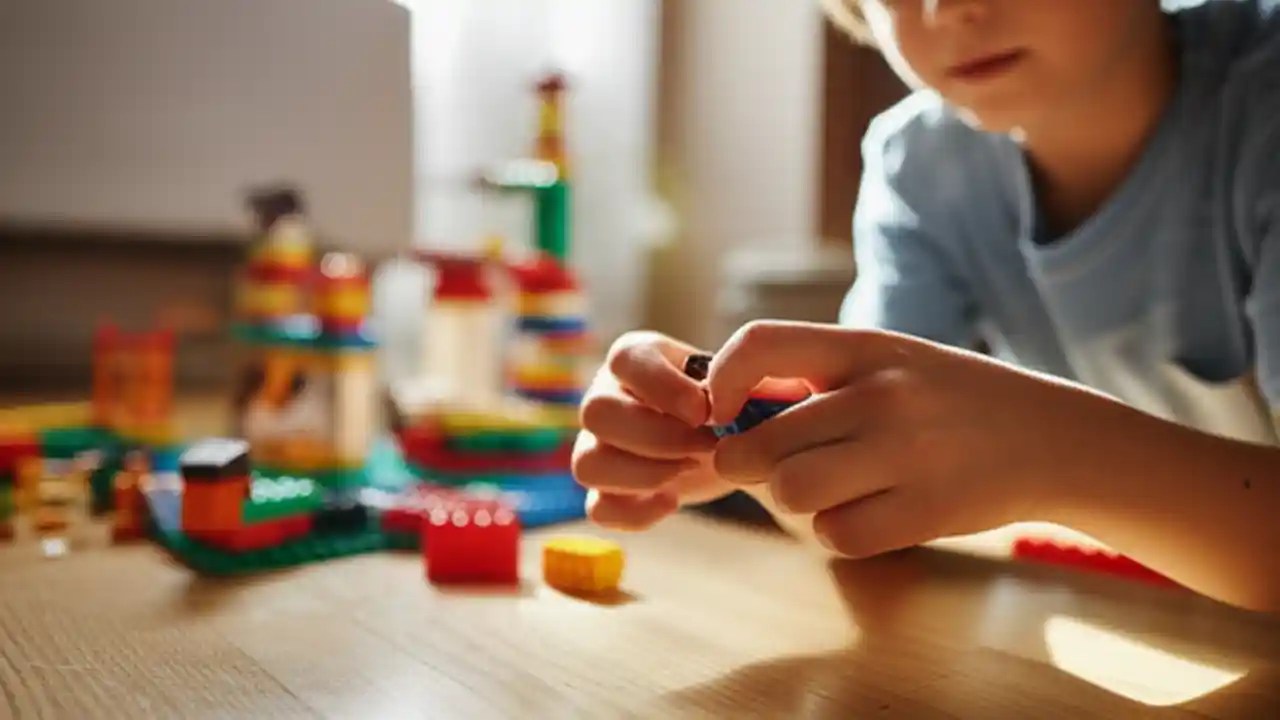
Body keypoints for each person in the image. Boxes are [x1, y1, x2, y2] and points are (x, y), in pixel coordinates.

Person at [572, 0, 1280, 612]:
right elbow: (871, 509)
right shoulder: (922, 163)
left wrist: (1042, 449)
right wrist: (741, 441)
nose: (945, 10)